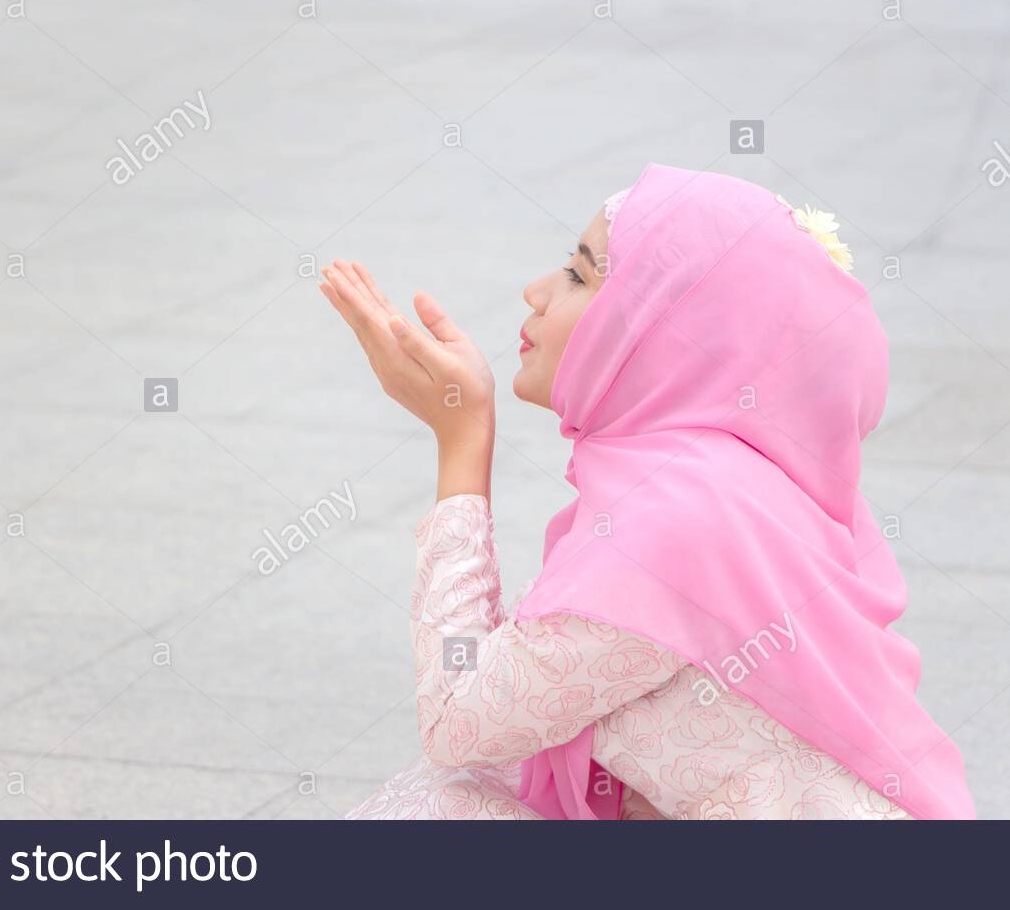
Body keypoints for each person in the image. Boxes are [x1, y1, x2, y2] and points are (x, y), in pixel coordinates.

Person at [320, 164, 974, 820]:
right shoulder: (735, 487)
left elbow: (458, 719)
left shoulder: (676, 521)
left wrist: (462, 440)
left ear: (666, 328)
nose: (537, 292)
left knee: (443, 813)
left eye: (579, 276)